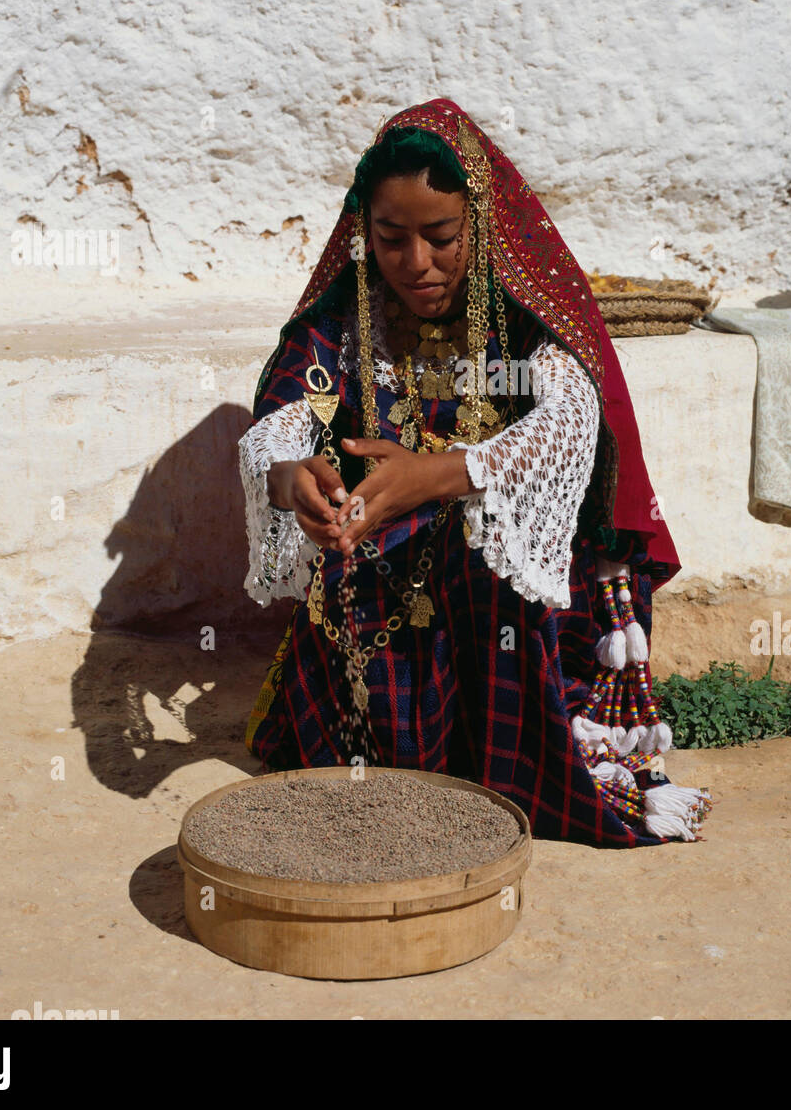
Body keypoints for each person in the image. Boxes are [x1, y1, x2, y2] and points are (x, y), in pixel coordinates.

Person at [238, 98, 711, 845]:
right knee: (351, 569)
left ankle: (508, 770)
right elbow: (285, 416)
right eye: (390, 238)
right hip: (383, 540)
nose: (415, 263)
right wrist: (289, 476)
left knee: (478, 555)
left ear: (481, 223)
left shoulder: (521, 310)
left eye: (441, 237)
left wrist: (437, 476)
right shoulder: (351, 310)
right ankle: (399, 772)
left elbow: (572, 419)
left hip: (503, 551)